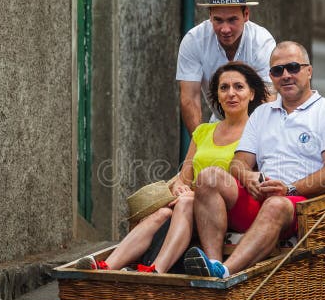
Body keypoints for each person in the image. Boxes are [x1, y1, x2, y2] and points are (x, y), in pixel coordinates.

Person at [182, 41, 325, 278]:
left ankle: (225, 272)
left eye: (293, 67)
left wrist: (290, 188)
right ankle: (211, 263)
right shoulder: (262, 113)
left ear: (309, 71)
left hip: (304, 207)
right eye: (277, 70)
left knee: (276, 204)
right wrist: (249, 176)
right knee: (208, 176)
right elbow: (238, 163)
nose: (285, 75)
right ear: (271, 77)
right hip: (260, 198)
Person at [76, 62, 269, 273]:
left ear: (252, 94)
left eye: (238, 87)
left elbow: (251, 178)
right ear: (217, 96)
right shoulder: (203, 132)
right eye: (224, 88)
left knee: (186, 203)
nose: (231, 93)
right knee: (161, 214)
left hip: (226, 208)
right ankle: (107, 266)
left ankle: (157, 269)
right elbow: (184, 177)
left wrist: (188, 195)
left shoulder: (256, 133)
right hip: (190, 203)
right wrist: (179, 187)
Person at [176, 0, 276, 134]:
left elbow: (268, 98)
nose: (225, 29)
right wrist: (200, 141)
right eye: (218, 20)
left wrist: (251, 142)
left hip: (258, 125)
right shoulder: (194, 40)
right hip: (218, 122)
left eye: (232, 20)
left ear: (246, 15)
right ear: (210, 15)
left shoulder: (262, 41)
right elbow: (190, 98)